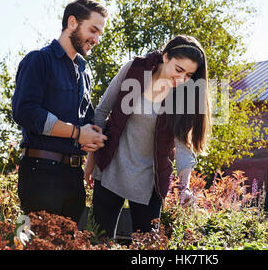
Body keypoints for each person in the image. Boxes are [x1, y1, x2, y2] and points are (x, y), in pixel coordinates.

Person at [84, 34, 211, 238]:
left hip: (149, 183)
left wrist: (185, 187)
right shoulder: (134, 70)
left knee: (148, 248)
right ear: (166, 56)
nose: (181, 79)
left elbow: (183, 146)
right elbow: (101, 111)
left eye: (188, 75)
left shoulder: (183, 95)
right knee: (99, 241)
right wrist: (91, 161)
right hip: (111, 169)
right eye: (179, 70)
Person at [12, 0, 108, 224]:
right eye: (93, 30)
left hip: (74, 178)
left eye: (100, 34)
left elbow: (87, 121)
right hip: (40, 174)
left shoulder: (85, 73)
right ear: (72, 22)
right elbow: (25, 111)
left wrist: (95, 138)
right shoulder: (39, 60)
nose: (96, 39)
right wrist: (77, 133)